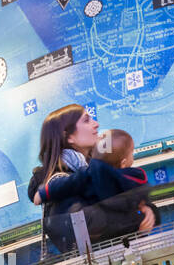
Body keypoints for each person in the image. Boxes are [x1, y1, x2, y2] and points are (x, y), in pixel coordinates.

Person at [27, 105, 154, 253]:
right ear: (68, 136)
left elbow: (126, 198)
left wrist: (148, 209)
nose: (96, 124)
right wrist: (139, 216)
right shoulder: (59, 182)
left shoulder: (94, 168)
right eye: (87, 120)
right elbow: (92, 223)